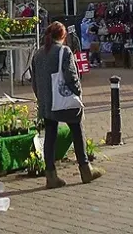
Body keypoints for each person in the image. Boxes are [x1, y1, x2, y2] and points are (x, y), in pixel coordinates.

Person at [31, 21, 102, 188]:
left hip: (47, 103)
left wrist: (41, 98)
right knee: (77, 130)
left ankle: (51, 176)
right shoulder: (64, 51)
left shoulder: (38, 54)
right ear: (62, 36)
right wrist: (78, 92)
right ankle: (85, 170)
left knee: (50, 136)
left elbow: (34, 81)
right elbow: (71, 76)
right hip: (64, 99)